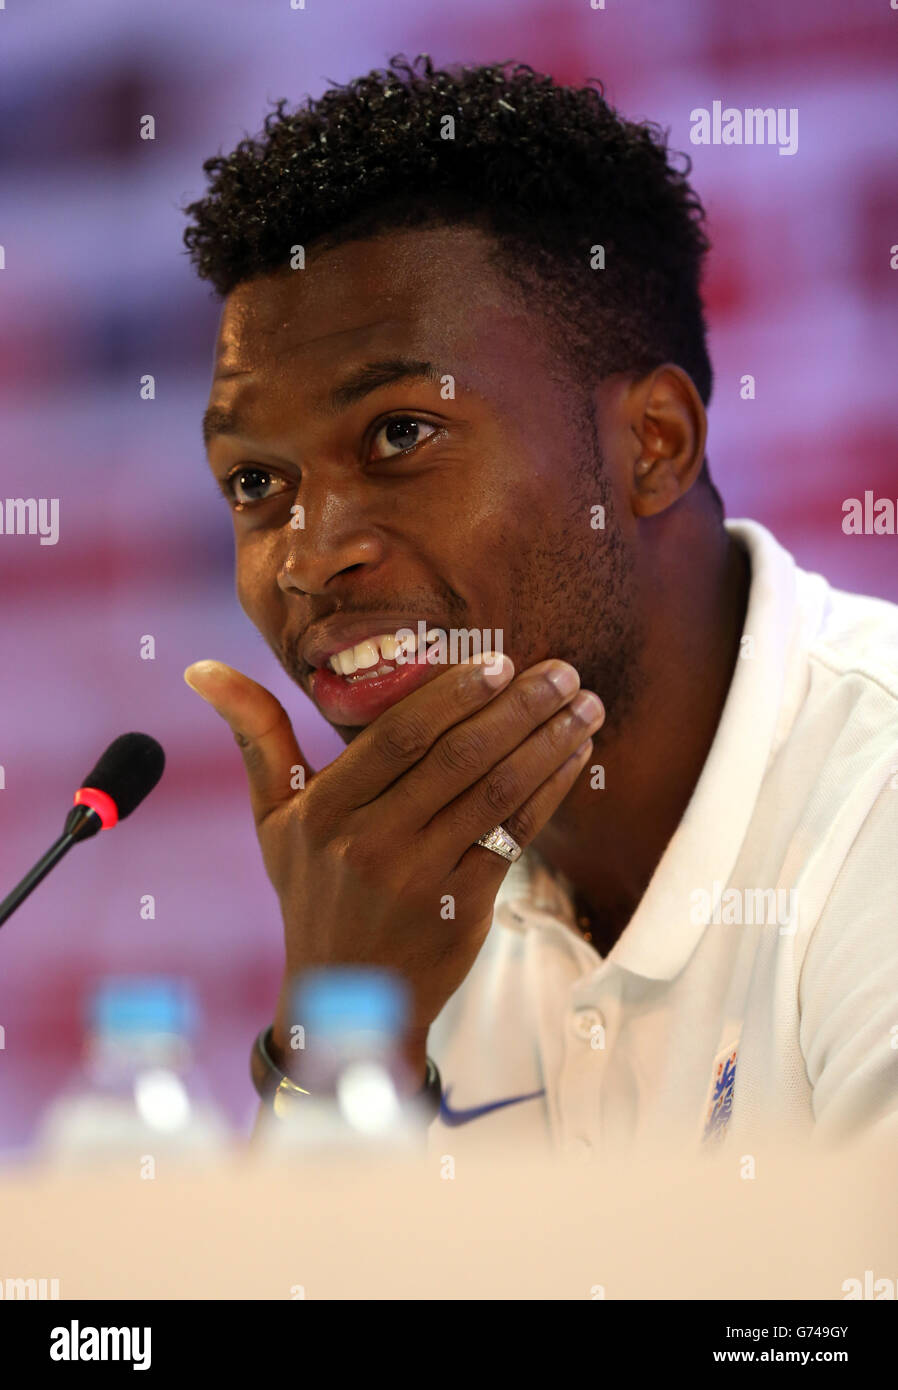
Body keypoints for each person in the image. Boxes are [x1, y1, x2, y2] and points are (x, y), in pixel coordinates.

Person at [181, 55, 898, 1155]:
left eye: (399, 434)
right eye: (256, 484)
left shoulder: (876, 801)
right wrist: (338, 1043)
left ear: (651, 446)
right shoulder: (394, 902)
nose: (308, 559)